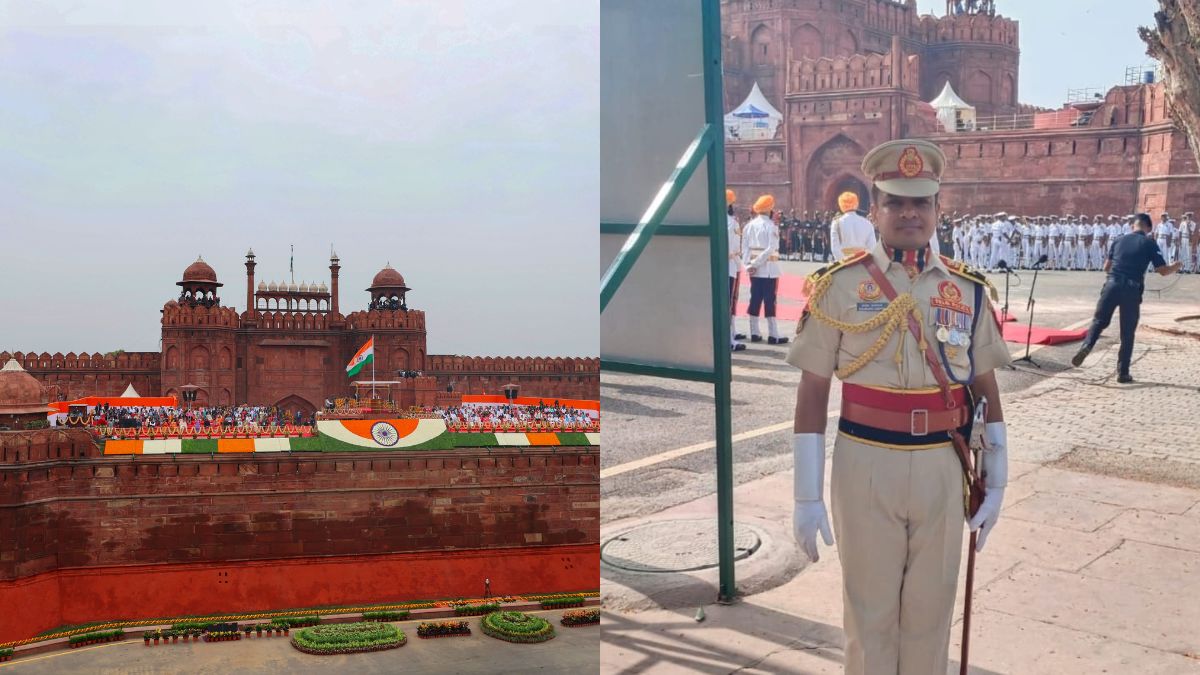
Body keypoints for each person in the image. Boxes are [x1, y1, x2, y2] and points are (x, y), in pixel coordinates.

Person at [788, 139, 1011, 675]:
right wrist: (805, 495)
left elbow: (985, 386)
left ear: (938, 208)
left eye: (921, 202)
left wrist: (998, 478)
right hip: (866, 463)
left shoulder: (967, 290)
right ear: (875, 210)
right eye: (895, 202)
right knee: (869, 617)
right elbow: (813, 390)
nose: (909, 213)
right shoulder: (837, 287)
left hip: (942, 465)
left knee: (931, 617)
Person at [1071, 212, 1183, 382]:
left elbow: (1106, 267)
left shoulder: (1118, 240)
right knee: (1127, 332)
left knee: (1099, 321)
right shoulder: (1149, 242)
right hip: (1131, 289)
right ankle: (1123, 372)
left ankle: (1086, 346)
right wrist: (1176, 266)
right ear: (1148, 228)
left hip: (1112, 285)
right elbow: (1162, 270)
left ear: (1132, 226)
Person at [741, 194, 789, 344]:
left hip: (754, 271)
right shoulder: (771, 226)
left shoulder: (749, 226)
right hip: (769, 270)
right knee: (770, 300)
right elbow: (771, 248)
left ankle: (754, 332)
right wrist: (756, 263)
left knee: (755, 298)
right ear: (769, 209)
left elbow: (745, 248)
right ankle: (773, 334)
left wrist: (749, 265)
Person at [829, 192, 877, 259]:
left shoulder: (836, 223)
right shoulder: (867, 223)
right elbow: (872, 247)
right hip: (862, 261)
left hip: (844, 261)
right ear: (856, 204)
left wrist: (844, 262)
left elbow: (835, 249)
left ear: (841, 205)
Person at [727, 189, 747, 352]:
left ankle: (729, 335)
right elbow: (732, 247)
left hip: (722, 265)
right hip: (729, 266)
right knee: (727, 304)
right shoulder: (731, 222)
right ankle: (728, 340)